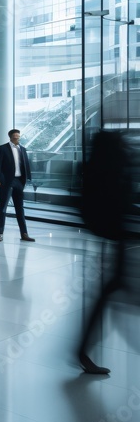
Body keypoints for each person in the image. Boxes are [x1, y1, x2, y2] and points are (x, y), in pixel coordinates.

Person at [77, 130, 135, 374]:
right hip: (116, 237)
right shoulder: (110, 170)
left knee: (109, 292)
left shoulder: (96, 168)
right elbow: (120, 200)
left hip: (114, 237)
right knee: (109, 292)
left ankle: (82, 350)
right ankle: (81, 350)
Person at [0, 128, 35, 242]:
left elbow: (26, 164)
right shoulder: (2, 148)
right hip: (6, 182)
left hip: (19, 182)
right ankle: (0, 234)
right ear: (10, 137)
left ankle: (24, 234)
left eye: (18, 137)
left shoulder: (23, 149)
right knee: (2, 208)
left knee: (20, 209)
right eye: (15, 137)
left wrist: (27, 179)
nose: (17, 138)